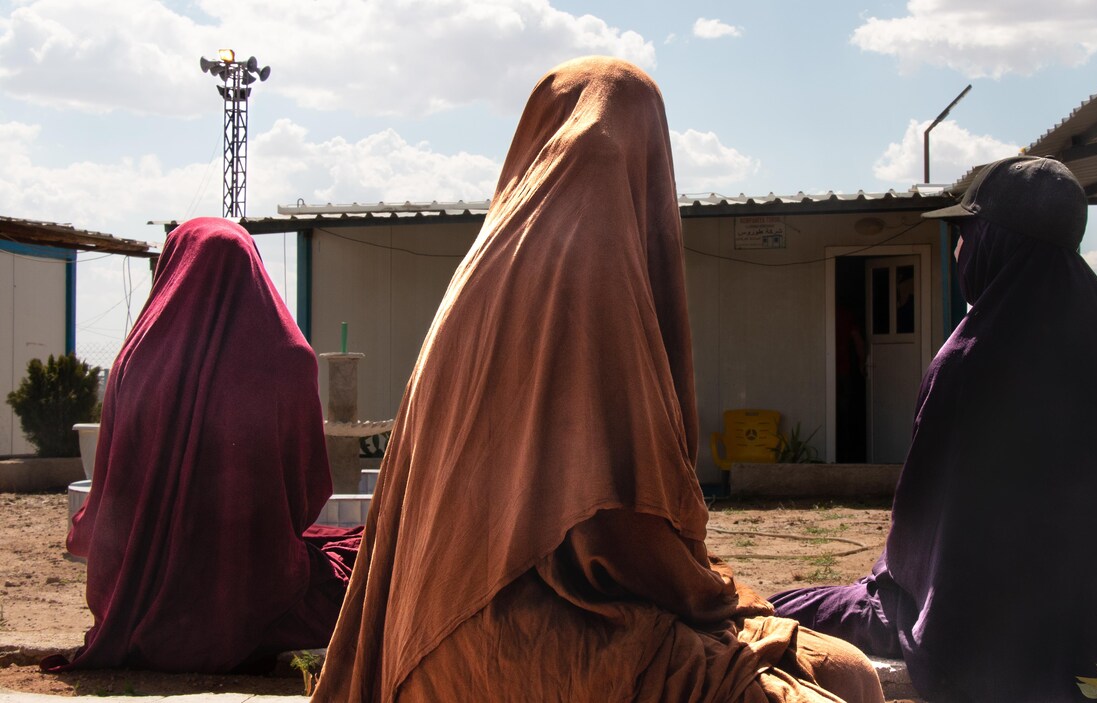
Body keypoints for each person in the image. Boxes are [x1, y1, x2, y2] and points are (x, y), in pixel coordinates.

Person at [312, 56, 885, 703]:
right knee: (844, 678)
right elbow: (621, 533)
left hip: (420, 645)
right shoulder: (593, 265)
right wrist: (714, 593)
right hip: (526, 642)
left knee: (843, 668)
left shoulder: (475, 274)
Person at [771, 155, 1097, 702]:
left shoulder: (972, 360)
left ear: (993, 241)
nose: (959, 250)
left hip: (992, 630)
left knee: (777, 609)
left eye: (964, 234)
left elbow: (921, 544)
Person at [44, 218, 361, 673]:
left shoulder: (134, 362)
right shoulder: (289, 358)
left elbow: (111, 490)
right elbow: (307, 493)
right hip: (251, 594)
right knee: (370, 559)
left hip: (136, 597)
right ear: (253, 268)